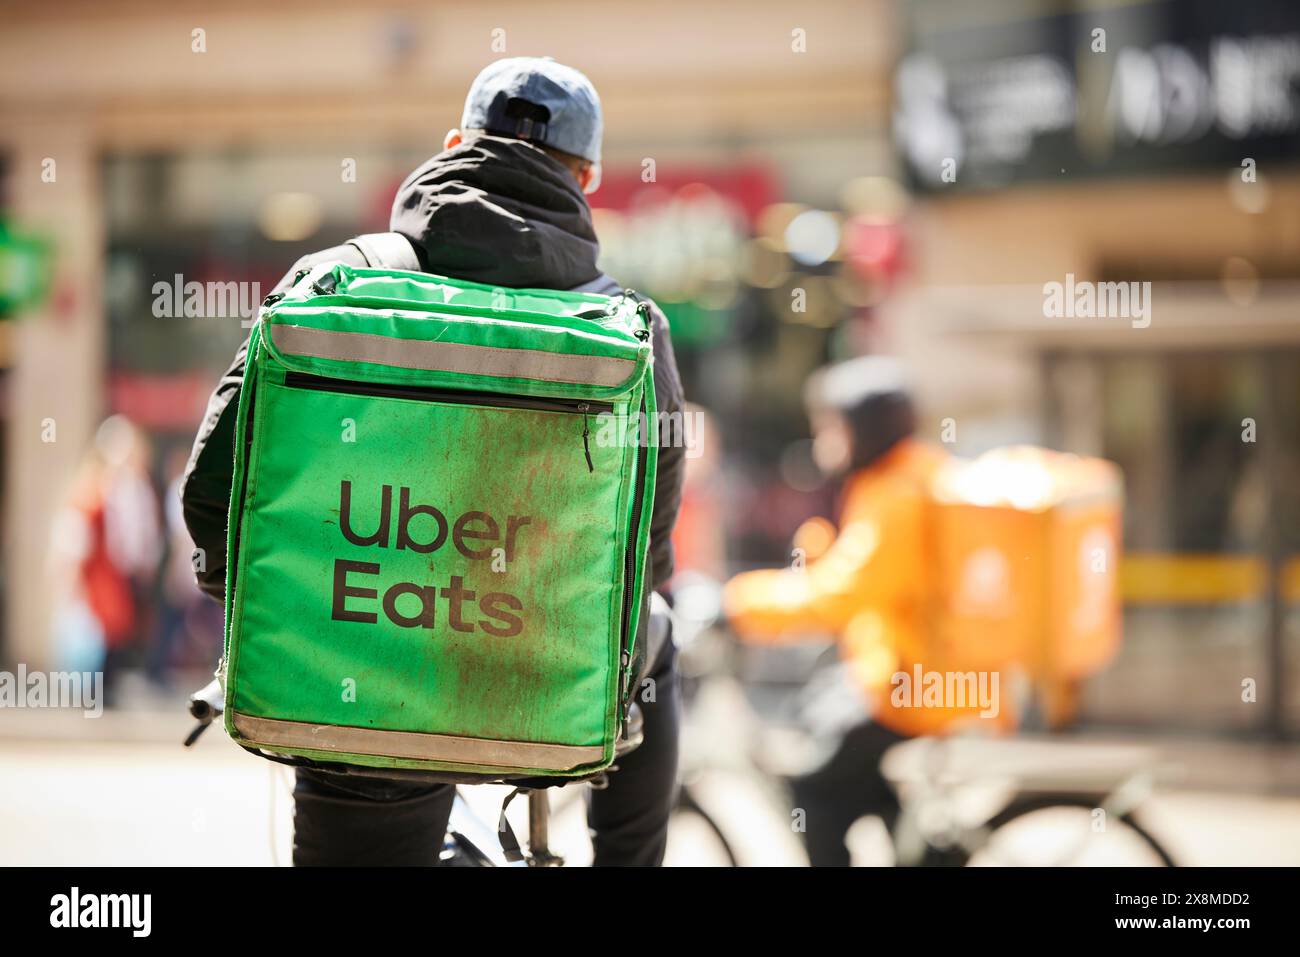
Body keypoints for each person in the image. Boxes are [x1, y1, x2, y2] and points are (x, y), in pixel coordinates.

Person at [182, 57, 686, 866]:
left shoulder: (336, 282)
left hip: (351, 686)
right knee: (661, 623)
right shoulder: (626, 323)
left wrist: (292, 614)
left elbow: (214, 497)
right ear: (587, 177)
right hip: (537, 689)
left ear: (455, 144)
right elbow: (644, 561)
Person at [724, 357, 1012, 866]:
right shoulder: (911, 472)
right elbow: (871, 578)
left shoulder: (897, 493)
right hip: (919, 673)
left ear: (865, 429)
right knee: (836, 741)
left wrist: (738, 602)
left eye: (831, 427)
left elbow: (844, 595)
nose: (823, 442)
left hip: (917, 686)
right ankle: (923, 849)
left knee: (814, 791)